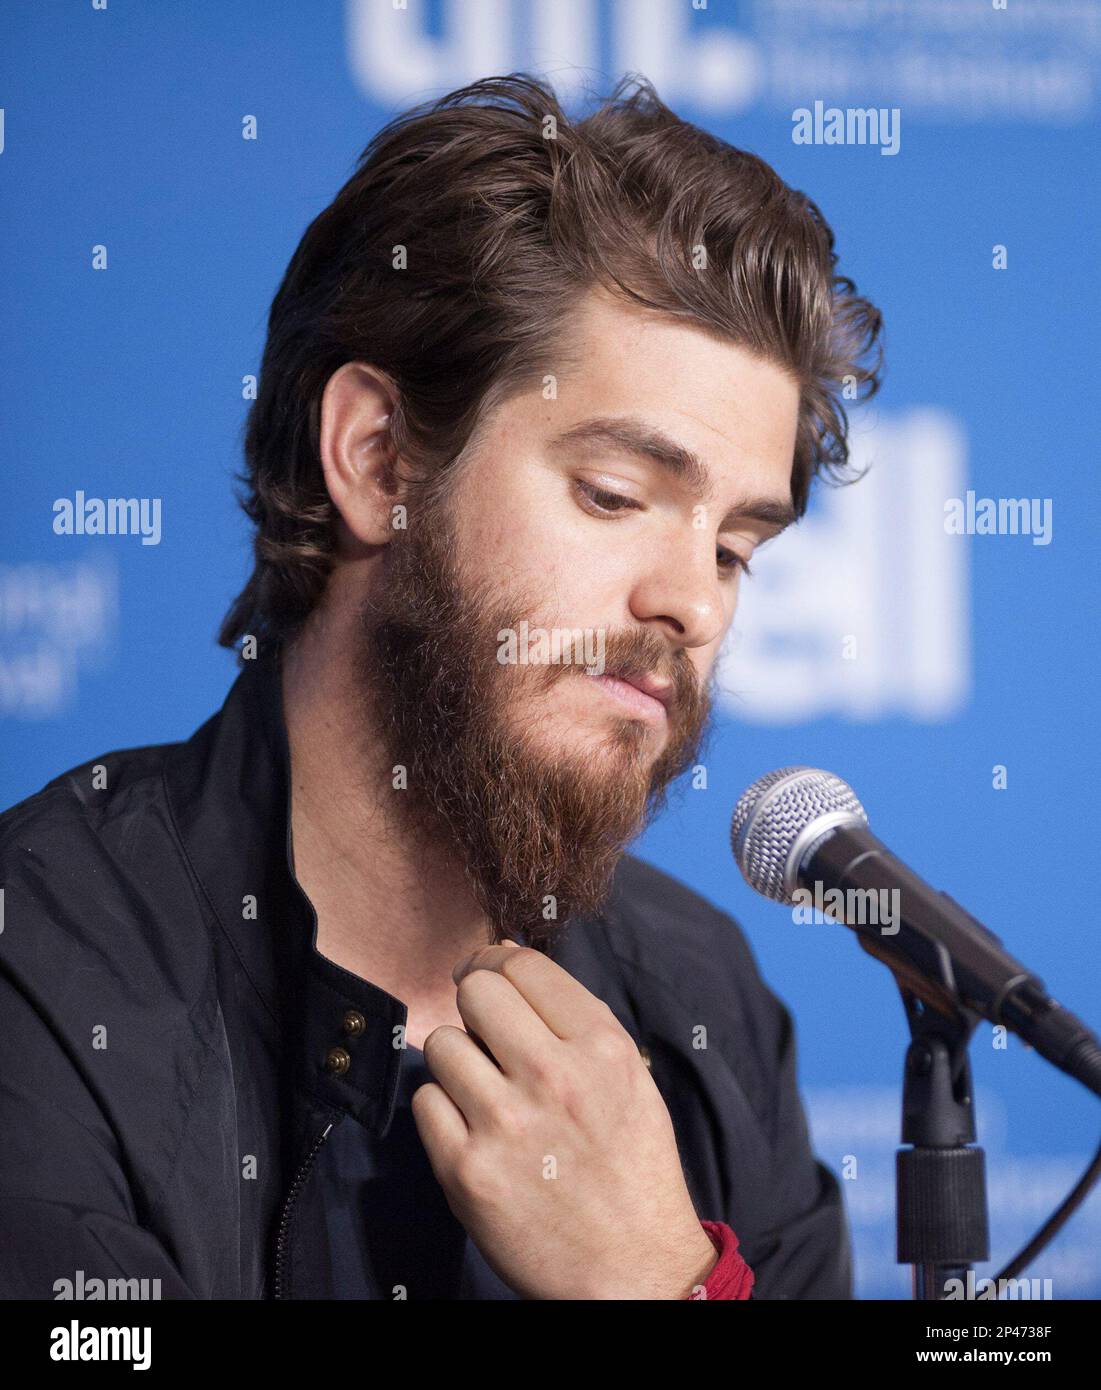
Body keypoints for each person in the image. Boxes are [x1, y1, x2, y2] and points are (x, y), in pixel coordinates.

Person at [0, 72, 882, 1300]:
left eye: (735, 547)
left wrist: (662, 1282)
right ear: (376, 460)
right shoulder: (40, 965)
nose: (694, 602)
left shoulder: (705, 998)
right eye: (615, 496)